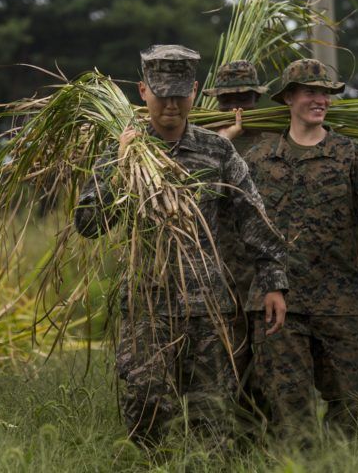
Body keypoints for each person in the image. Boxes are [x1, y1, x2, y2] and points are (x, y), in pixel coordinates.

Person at [74, 45, 288, 447]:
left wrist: (272, 280)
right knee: (146, 413)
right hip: (146, 307)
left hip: (207, 307)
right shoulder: (122, 151)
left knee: (211, 422)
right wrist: (121, 168)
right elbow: (88, 224)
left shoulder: (217, 150)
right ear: (143, 91)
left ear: (194, 91)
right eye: (161, 94)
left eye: (179, 94)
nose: (170, 104)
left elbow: (252, 217)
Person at [244, 58, 358, 441]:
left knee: (357, 401)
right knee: (288, 411)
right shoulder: (259, 158)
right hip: (278, 304)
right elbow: (231, 219)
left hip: (338, 302)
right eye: (311, 91)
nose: (320, 99)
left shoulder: (350, 156)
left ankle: (339, 463)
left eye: (326, 93)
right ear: (290, 98)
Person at [201, 60, 273, 419]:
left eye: (243, 98)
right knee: (225, 360)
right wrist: (218, 144)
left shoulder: (275, 144)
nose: (236, 108)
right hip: (219, 274)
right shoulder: (202, 144)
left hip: (266, 276)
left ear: (256, 99)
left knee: (270, 364)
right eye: (227, 100)